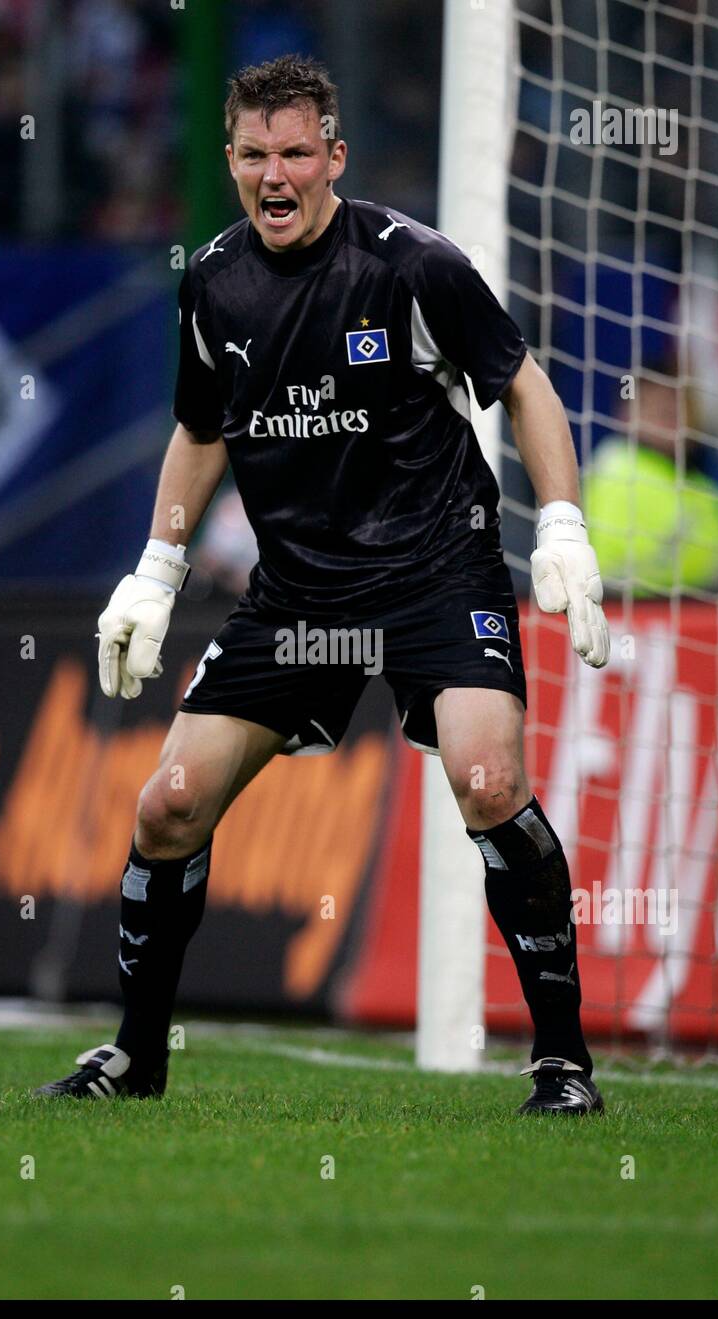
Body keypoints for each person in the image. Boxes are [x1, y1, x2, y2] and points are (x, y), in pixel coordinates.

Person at [36, 54, 610, 1115]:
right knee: (165, 807)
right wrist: (156, 572)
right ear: (230, 161)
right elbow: (199, 429)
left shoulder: (409, 266)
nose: (274, 174)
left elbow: (521, 384)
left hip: (437, 573)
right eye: (253, 155)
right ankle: (133, 1057)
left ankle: (562, 1063)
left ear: (333, 157)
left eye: (296, 151)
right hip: (299, 596)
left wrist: (563, 525)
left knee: (487, 782)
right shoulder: (211, 279)